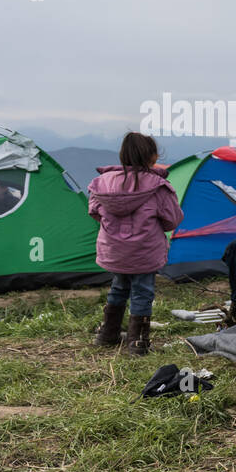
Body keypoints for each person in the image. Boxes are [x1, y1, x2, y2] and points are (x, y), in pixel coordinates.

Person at [87, 132, 185, 355]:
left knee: (118, 287)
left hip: (114, 251)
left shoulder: (102, 184)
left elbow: (93, 211)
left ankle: (107, 334)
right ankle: (137, 342)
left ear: (123, 155)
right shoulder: (158, 187)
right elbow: (172, 220)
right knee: (142, 292)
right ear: (152, 157)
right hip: (144, 252)